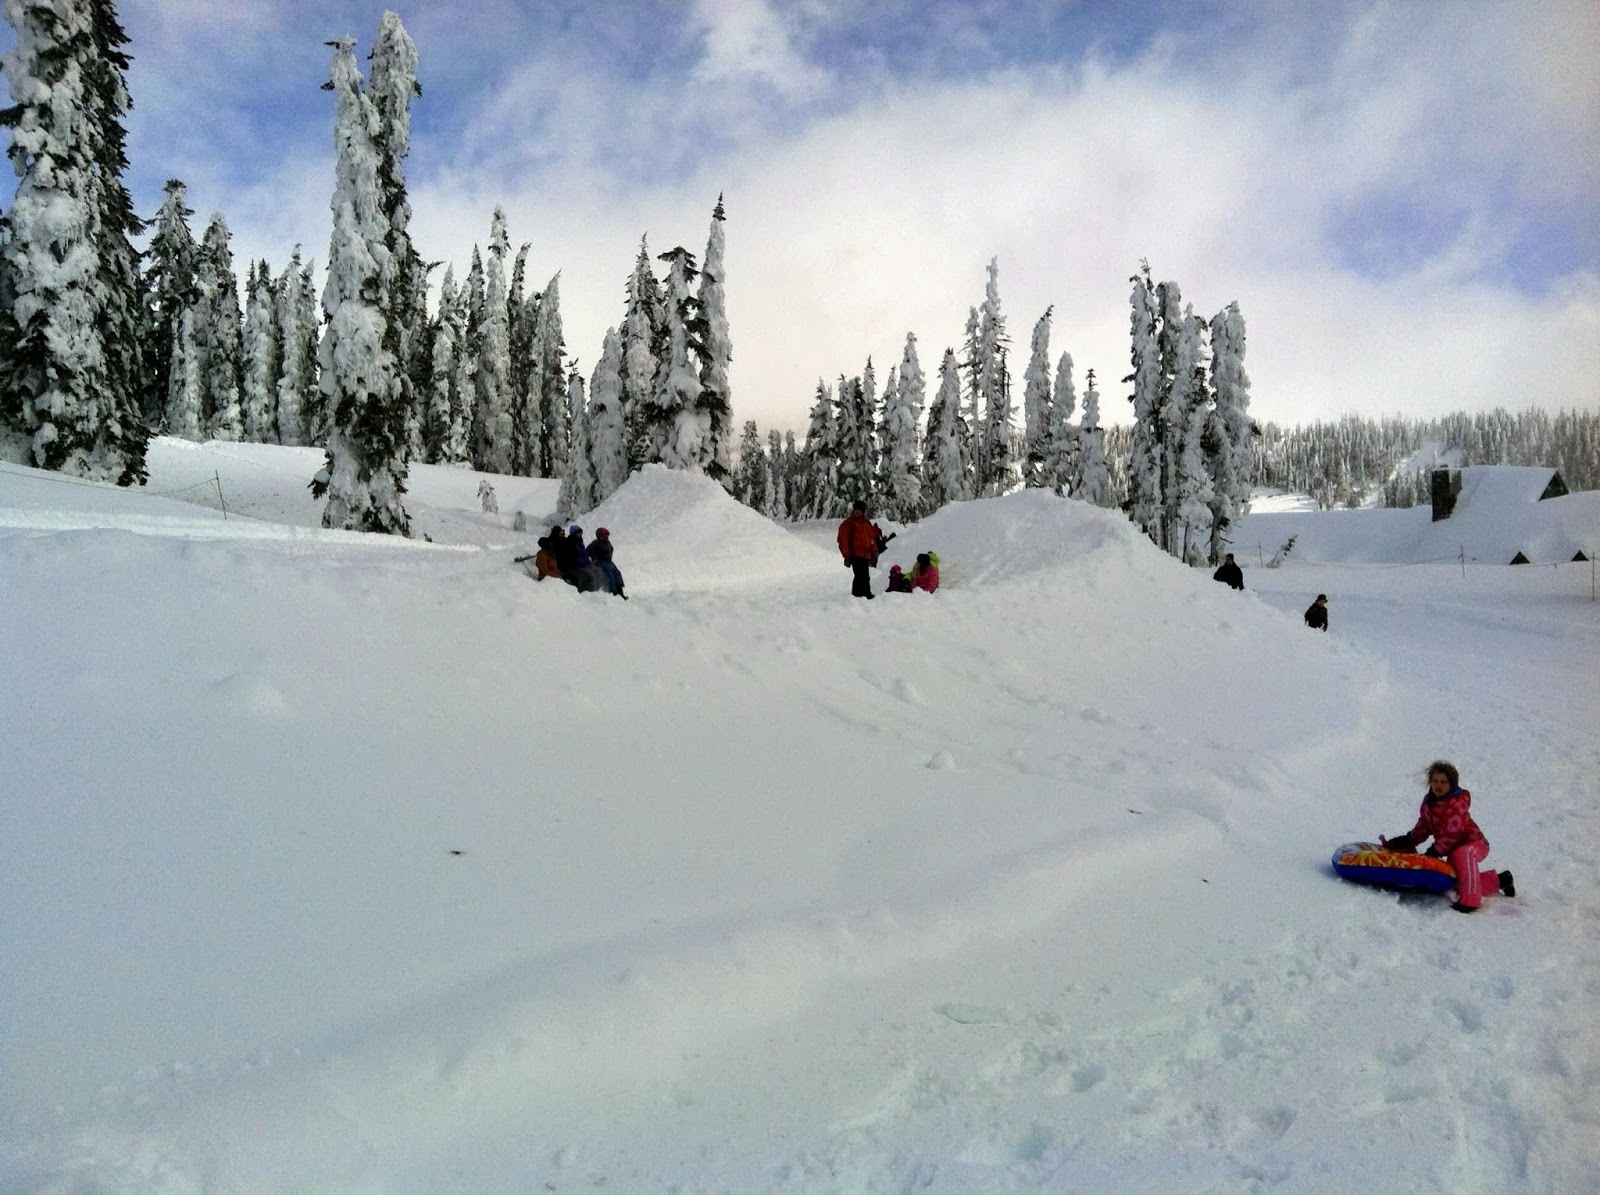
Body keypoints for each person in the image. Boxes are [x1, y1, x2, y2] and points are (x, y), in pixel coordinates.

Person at [1380, 760, 1514, 913]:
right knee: (1455, 883)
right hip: (1452, 849)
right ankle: (1501, 880)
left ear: (1452, 784)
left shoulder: (1456, 804)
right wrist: (1407, 839)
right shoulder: (1429, 804)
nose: (1439, 785)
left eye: (1444, 782)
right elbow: (1423, 827)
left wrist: (1434, 852)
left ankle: (1470, 903)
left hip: (1473, 844)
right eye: (1435, 781)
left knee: (1463, 854)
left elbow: (1451, 834)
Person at [836, 499, 885, 599]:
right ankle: (858, 595)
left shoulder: (866, 524)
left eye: (860, 510)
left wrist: (874, 553)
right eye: (856, 510)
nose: (857, 512)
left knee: (865, 576)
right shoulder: (848, 524)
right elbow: (843, 541)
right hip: (855, 555)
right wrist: (847, 556)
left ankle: (864, 593)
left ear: (863, 512)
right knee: (859, 575)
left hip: (865, 555)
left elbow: (871, 539)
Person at [587, 527, 627, 599]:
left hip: (608, 561)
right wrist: (594, 557)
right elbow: (588, 551)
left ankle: (620, 591)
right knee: (609, 574)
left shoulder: (608, 543)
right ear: (600, 536)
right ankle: (613, 592)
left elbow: (611, 549)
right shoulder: (596, 543)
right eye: (605, 535)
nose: (607, 537)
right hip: (599, 561)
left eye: (607, 535)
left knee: (617, 573)